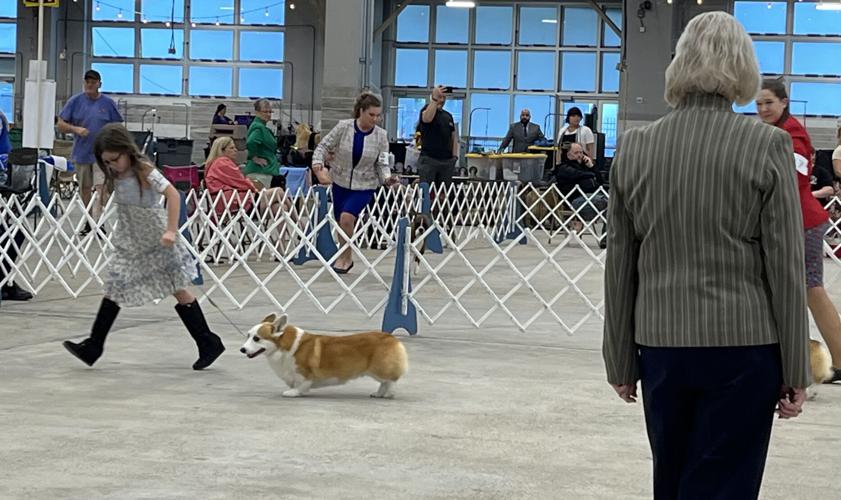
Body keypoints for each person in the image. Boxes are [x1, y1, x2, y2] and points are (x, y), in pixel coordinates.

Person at [603, 12, 810, 500]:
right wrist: (796, 368)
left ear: (678, 65)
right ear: (743, 69)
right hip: (744, 347)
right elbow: (784, 265)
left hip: (661, 347)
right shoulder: (769, 145)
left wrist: (619, 360)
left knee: (671, 479)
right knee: (725, 484)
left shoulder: (634, 147)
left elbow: (620, 264)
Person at [62, 124, 225, 370]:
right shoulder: (116, 173)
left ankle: (207, 341)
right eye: (107, 162)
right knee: (114, 286)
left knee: (176, 288)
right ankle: (94, 345)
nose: (112, 165)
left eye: (115, 159)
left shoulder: (145, 169)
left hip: (154, 236)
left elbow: (173, 195)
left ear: (126, 150)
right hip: (131, 239)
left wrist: (171, 230)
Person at [757, 78, 841, 384]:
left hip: (802, 221)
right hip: (792, 220)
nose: (763, 108)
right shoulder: (777, 131)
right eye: (759, 103)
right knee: (806, 291)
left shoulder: (792, 134)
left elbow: (792, 178)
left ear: (783, 102)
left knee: (812, 290)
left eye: (769, 102)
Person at [312, 92, 399, 273]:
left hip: (365, 185)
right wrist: (318, 164)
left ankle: (346, 256)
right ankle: (345, 255)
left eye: (378, 115)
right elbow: (323, 146)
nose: (375, 119)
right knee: (341, 221)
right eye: (371, 115)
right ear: (361, 111)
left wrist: (387, 178)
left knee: (347, 217)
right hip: (340, 182)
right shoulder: (343, 127)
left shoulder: (381, 136)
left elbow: (382, 163)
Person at [57, 70, 123, 236]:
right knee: (85, 189)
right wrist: (75, 129)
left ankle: (98, 221)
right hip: (82, 153)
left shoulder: (108, 104)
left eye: (93, 82)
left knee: (101, 188)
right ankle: (88, 220)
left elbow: (118, 127)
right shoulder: (75, 101)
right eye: (87, 82)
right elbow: (61, 124)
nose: (90, 85)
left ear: (99, 84)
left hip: (103, 155)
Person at [204, 136, 286, 219]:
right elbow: (241, 182)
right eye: (232, 148)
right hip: (234, 203)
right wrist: (254, 188)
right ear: (222, 150)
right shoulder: (223, 163)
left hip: (229, 202)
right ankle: (297, 223)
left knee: (280, 207)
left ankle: (289, 229)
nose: (236, 150)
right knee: (278, 191)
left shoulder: (214, 164)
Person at [554, 142, 607, 240]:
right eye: (576, 153)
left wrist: (592, 167)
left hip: (592, 198)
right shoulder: (563, 168)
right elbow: (577, 174)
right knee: (606, 202)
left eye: (581, 152)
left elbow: (601, 181)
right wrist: (592, 174)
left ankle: (606, 237)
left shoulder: (585, 166)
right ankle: (605, 237)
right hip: (575, 202)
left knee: (611, 204)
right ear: (568, 154)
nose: (579, 155)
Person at [416, 85, 458, 186]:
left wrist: (455, 156)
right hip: (429, 159)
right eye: (440, 97)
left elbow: (453, 137)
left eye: (444, 97)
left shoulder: (448, 116)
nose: (442, 100)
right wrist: (434, 100)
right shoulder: (426, 110)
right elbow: (427, 118)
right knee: (426, 192)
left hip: (447, 161)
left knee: (444, 194)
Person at [243, 99, 283, 189]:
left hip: (265, 171)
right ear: (257, 112)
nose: (268, 114)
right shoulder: (258, 127)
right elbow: (251, 142)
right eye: (265, 111)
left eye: (270, 112)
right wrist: (254, 157)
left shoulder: (263, 127)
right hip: (260, 172)